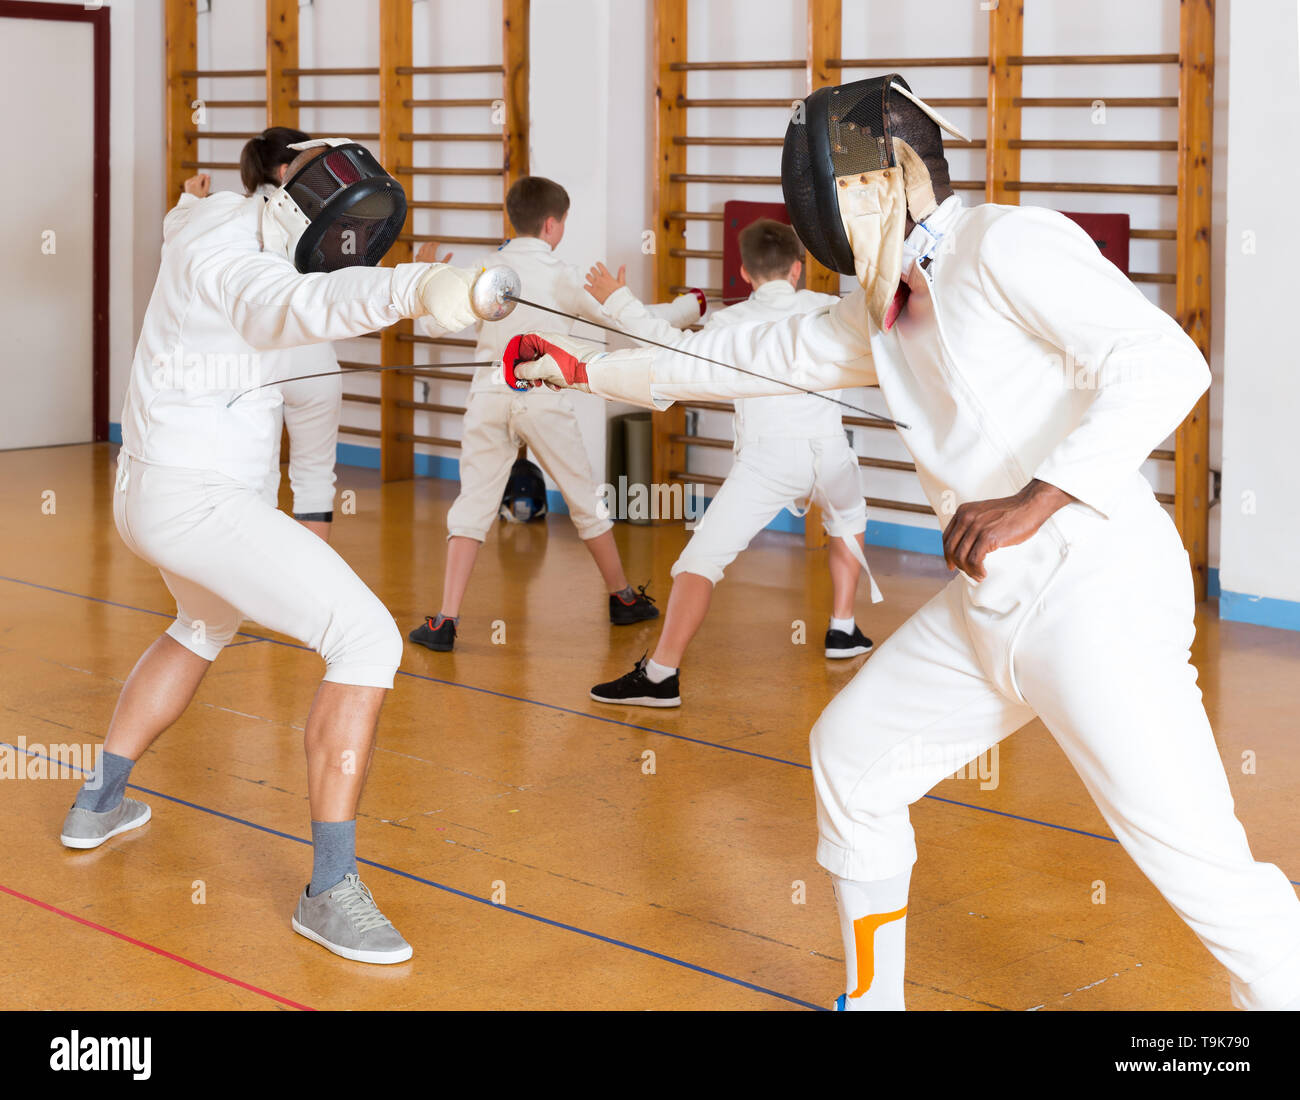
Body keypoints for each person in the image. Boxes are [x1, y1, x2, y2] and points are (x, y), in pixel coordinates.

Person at [501, 75, 1300, 1010]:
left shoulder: (1008, 243)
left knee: (1200, 868)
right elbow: (743, 359)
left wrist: (1034, 499)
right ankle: (874, 1004)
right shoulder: (877, 307)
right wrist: (588, 366)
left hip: (1096, 595)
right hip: (991, 603)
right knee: (854, 757)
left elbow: (1166, 361)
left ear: (887, 180)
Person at [60, 137, 481, 965]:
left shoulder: (212, 217)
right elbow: (290, 308)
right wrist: (417, 285)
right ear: (287, 189)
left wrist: (428, 287)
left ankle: (98, 802)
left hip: (154, 492)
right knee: (368, 639)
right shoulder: (240, 265)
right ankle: (329, 889)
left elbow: (297, 278)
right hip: (198, 502)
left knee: (200, 626)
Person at [581, 218, 876, 709]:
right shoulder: (829, 308)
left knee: (702, 560)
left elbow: (667, 347)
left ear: (744, 272)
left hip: (768, 461)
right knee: (849, 516)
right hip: (830, 452)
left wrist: (617, 298)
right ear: (798, 270)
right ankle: (842, 629)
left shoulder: (726, 324)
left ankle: (660, 676)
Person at [407, 175, 688, 653]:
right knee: (584, 500)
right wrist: (686, 307)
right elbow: (628, 323)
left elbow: (434, 324)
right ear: (554, 225)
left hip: (488, 398)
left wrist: (424, 282)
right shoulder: (564, 275)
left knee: (472, 507)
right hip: (542, 398)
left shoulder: (484, 270)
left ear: (512, 218)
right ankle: (622, 599)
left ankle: (445, 621)